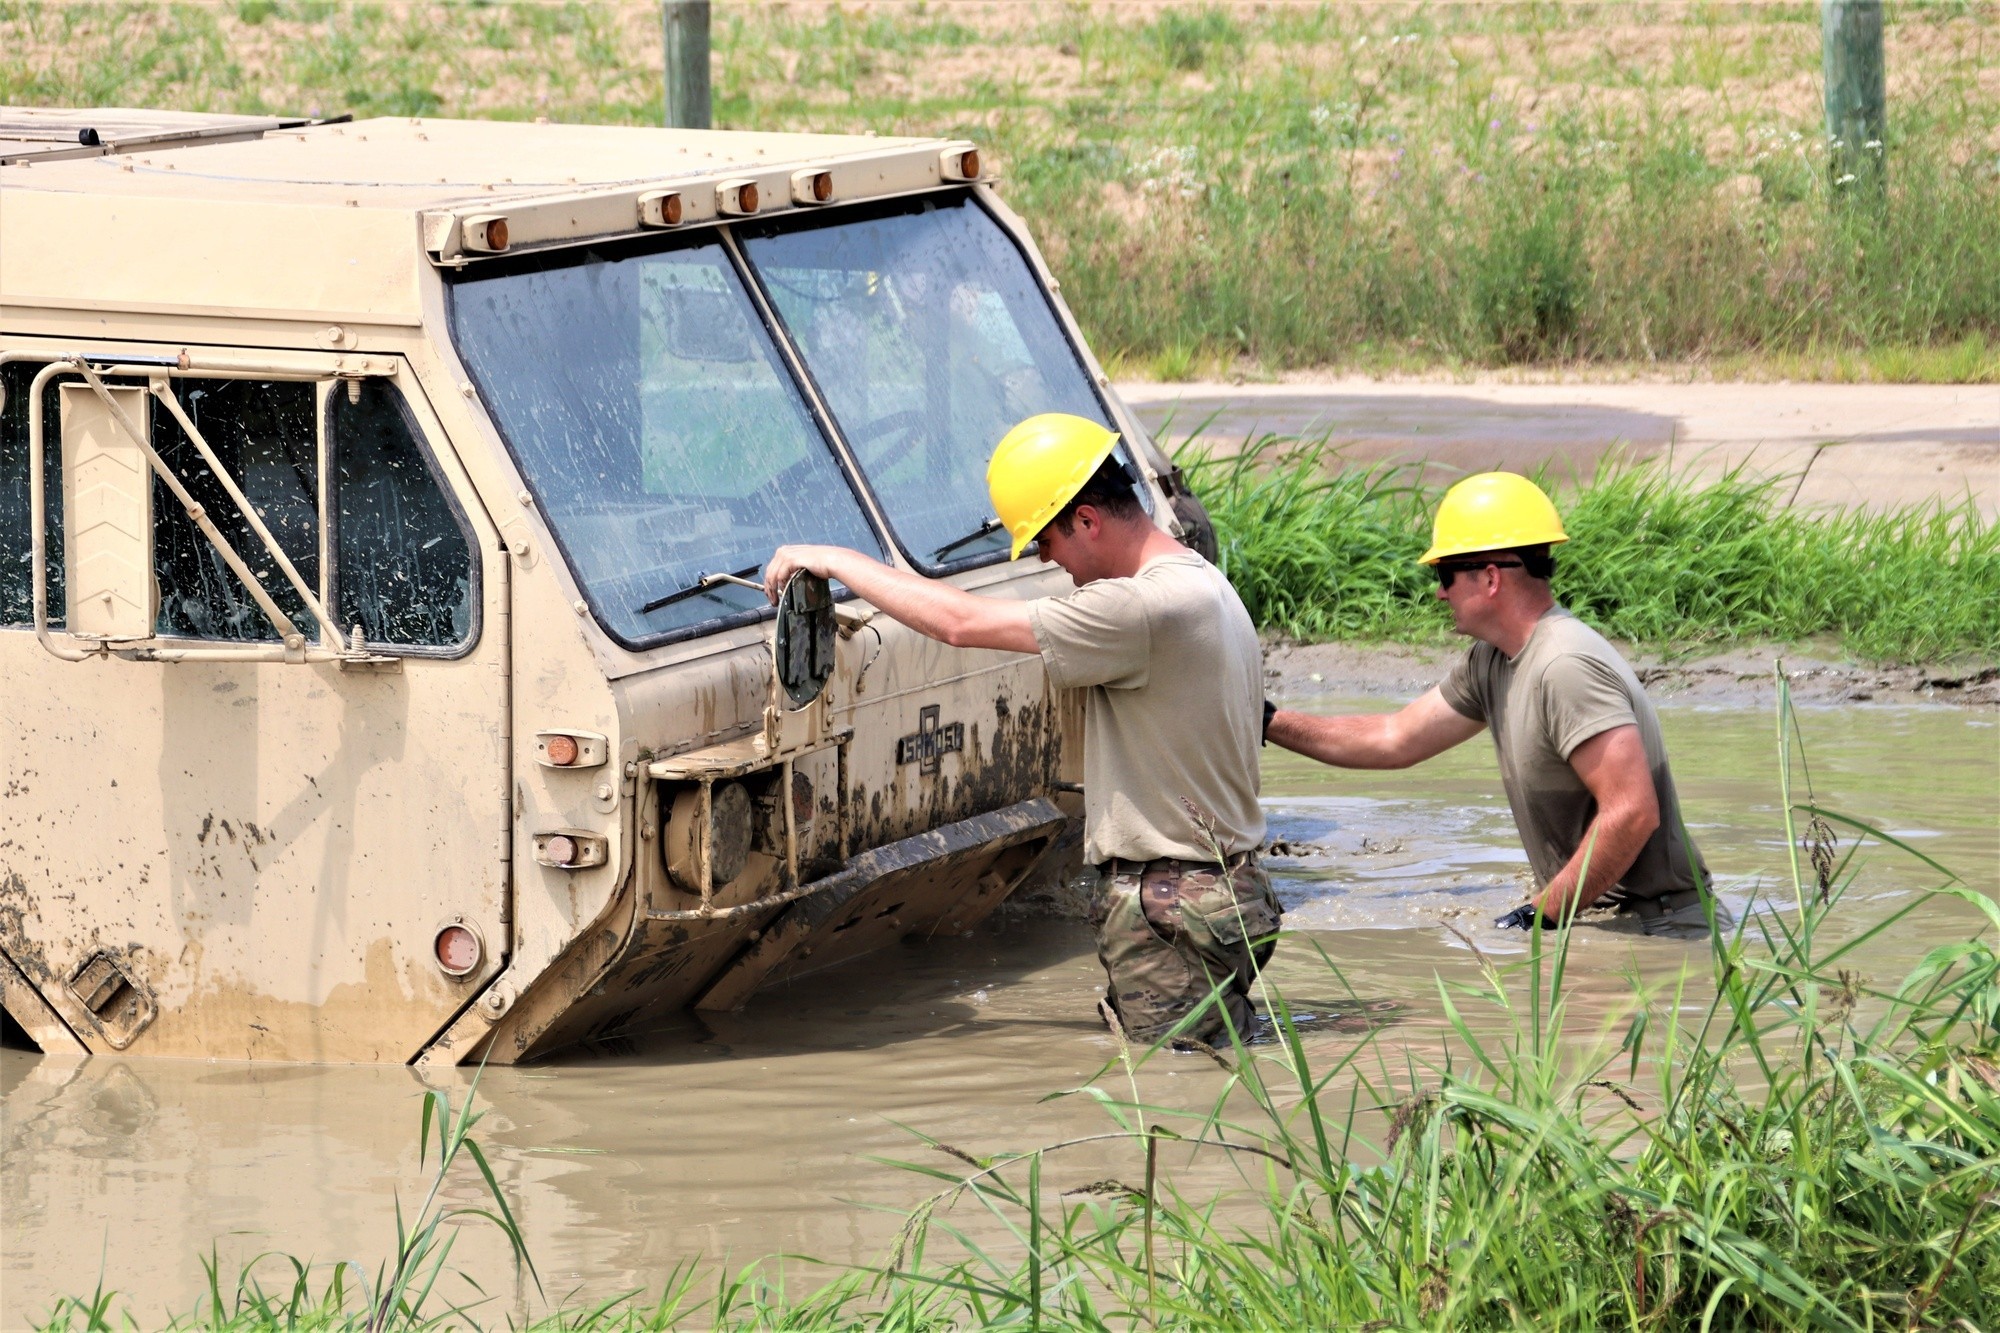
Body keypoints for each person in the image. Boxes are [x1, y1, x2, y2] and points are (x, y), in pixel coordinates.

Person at [765, 412, 1280, 1043]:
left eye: (1046, 540)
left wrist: (834, 559)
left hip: (1174, 903)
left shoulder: (1139, 608)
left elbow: (958, 624)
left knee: (1169, 1094)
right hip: (1225, 894)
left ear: (1087, 519)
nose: (1047, 559)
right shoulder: (1205, 585)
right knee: (1218, 1060)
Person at [1265, 472, 1716, 936]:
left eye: (1445, 575)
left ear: (1491, 577)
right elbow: (1393, 739)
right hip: (1597, 919)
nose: (1439, 592)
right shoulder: (1494, 660)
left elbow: (1632, 811)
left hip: (1660, 930)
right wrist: (1266, 721)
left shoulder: (1564, 666)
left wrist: (1541, 914)